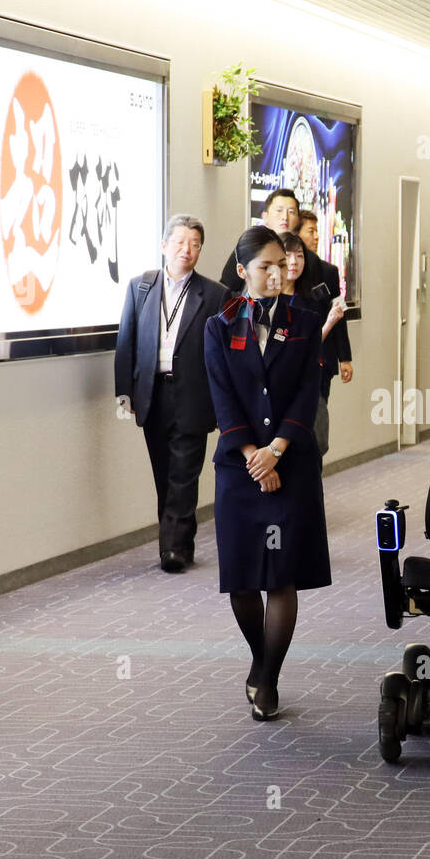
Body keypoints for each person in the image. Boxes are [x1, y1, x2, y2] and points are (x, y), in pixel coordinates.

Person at [203, 226, 330, 721]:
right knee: (241, 577)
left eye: (283, 263)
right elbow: (223, 396)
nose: (278, 273)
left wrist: (277, 449)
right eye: (265, 266)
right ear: (242, 272)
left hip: (291, 462)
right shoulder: (220, 325)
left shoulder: (305, 320)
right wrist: (254, 455)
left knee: (281, 577)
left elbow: (307, 390)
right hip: (240, 466)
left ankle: (270, 678)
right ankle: (259, 659)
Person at [115, 214, 228, 573]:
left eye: (195, 244)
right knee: (164, 473)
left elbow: (222, 354)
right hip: (152, 394)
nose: (187, 250)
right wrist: (124, 392)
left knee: (184, 473)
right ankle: (178, 540)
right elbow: (126, 342)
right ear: (164, 246)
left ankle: (174, 549)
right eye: (180, 242)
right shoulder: (141, 287)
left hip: (193, 396)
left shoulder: (213, 295)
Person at [294, 210, 354, 457]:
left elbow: (339, 316)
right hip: (293, 359)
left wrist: (345, 358)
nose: (316, 236)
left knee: (316, 423)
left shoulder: (327, 272)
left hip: (321, 359)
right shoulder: (284, 275)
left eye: (317, 231)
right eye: (310, 231)